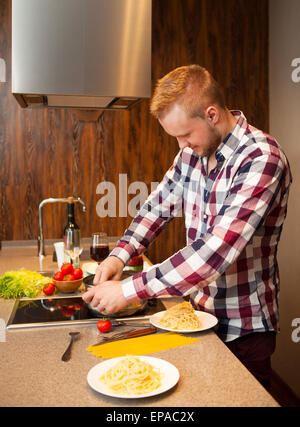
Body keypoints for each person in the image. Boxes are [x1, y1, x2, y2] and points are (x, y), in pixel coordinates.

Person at [82, 65, 292, 389]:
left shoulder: (262, 158)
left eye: (185, 134)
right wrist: (118, 257)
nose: (181, 146)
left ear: (212, 114)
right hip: (196, 318)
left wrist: (127, 290)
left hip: (244, 328)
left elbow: (214, 253)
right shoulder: (191, 155)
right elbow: (155, 208)